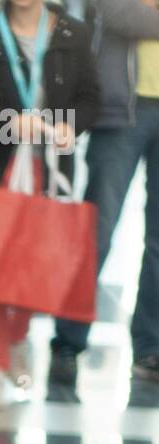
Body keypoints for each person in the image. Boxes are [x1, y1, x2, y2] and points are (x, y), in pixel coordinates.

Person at [0, 0, 99, 408]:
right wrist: (8, 122)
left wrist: (69, 126)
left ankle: (17, 339)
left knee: (33, 264)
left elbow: (89, 98)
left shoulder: (72, 33)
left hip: (47, 170)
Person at [49, 0, 159, 396]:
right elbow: (115, 11)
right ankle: (67, 342)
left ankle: (150, 349)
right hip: (120, 111)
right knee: (96, 233)